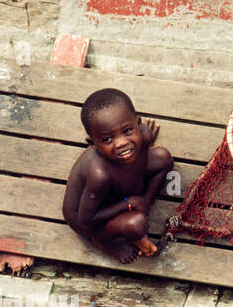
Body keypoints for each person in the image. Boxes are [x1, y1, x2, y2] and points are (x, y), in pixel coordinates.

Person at [62, 88, 173, 264]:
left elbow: (148, 148)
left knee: (163, 159)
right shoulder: (100, 174)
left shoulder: (144, 136)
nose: (121, 143)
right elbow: (86, 218)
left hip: (123, 190)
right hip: (90, 217)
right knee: (136, 225)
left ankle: (143, 206)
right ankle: (107, 241)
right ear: (93, 144)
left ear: (138, 124)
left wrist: (137, 202)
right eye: (107, 139)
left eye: (128, 130)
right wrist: (128, 204)